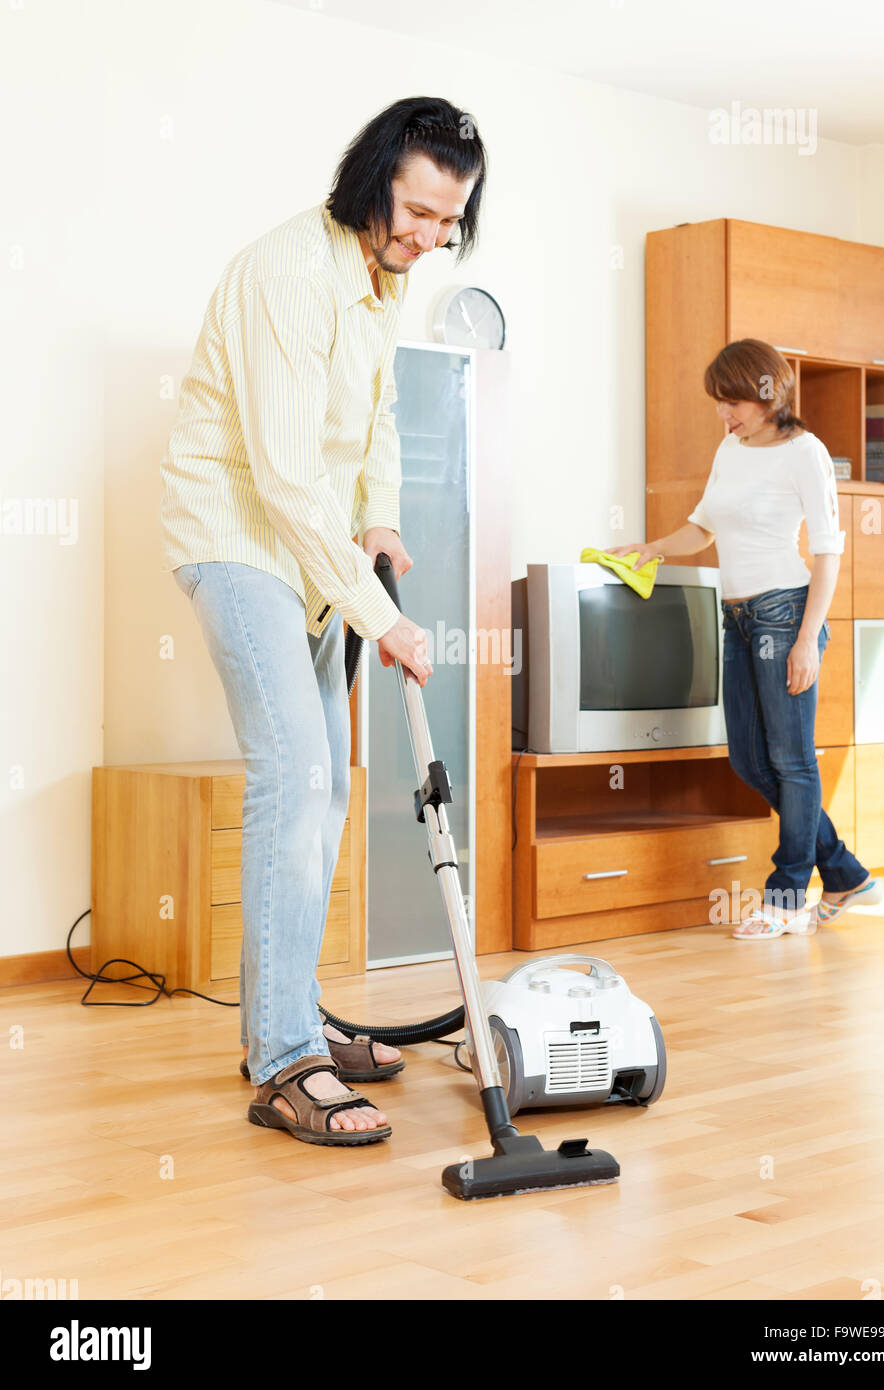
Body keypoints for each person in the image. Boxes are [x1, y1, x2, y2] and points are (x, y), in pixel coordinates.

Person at [159, 96, 486, 1143]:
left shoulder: (381, 283)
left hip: (314, 559)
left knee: (326, 791)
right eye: (418, 212)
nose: (429, 238)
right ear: (376, 175)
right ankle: (287, 1058)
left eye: (449, 221)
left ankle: (288, 1020)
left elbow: (377, 415)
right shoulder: (289, 275)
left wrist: (381, 518)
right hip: (240, 541)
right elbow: (289, 478)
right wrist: (379, 612)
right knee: (294, 781)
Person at [612, 338, 884, 940]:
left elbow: (828, 551)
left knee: (792, 759)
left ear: (767, 393)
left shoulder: (804, 453)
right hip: (736, 617)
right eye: (720, 403)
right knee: (749, 759)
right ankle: (844, 873)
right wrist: (651, 548)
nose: (724, 414)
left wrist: (808, 638)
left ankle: (787, 898)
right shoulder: (730, 449)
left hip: (785, 611)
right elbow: (702, 527)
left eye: (732, 401)